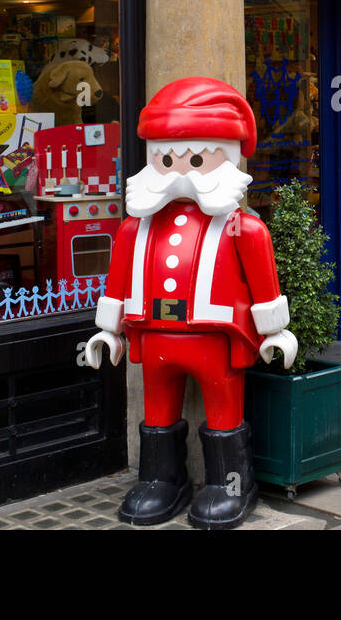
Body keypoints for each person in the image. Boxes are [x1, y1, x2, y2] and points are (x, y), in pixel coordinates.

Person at [84, 77, 297, 530]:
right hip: (155, 336)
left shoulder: (244, 228)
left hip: (216, 338)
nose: (179, 169)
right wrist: (109, 327)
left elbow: (263, 281)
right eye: (166, 158)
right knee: (157, 409)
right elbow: (118, 281)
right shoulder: (134, 229)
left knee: (224, 409)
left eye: (196, 158)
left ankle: (230, 484)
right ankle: (161, 480)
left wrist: (276, 330)